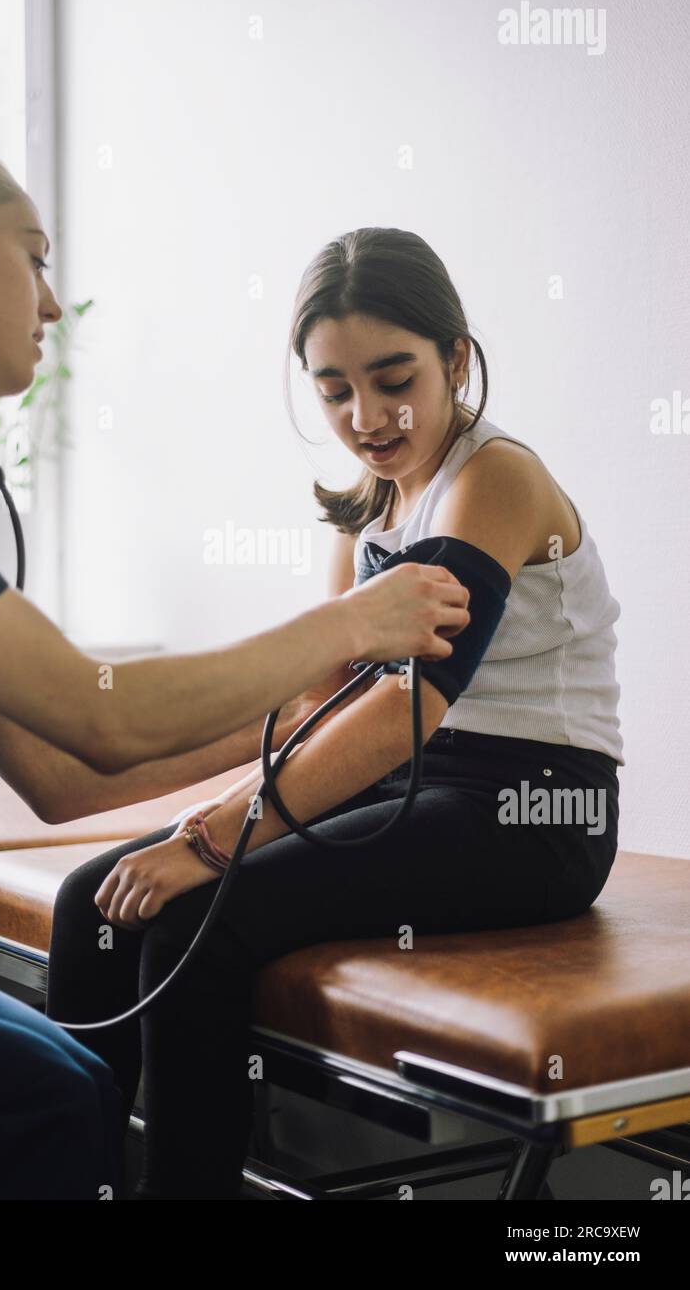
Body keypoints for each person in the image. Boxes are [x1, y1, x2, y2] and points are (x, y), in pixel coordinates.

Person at [0, 133, 468, 1201]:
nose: (48, 304)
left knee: (69, 1082)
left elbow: (70, 776)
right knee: (44, 1102)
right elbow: (102, 714)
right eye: (33, 258)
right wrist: (348, 628)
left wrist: (305, 708)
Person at [47, 226, 623, 1201]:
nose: (365, 414)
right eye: (332, 389)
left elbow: (403, 709)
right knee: (88, 904)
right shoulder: (367, 510)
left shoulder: (495, 478)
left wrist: (207, 841)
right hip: (408, 783)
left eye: (392, 375)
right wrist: (166, 800)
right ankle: (80, 1181)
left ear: (454, 357)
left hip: (533, 809)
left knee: (199, 923)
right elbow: (320, 708)